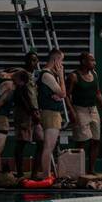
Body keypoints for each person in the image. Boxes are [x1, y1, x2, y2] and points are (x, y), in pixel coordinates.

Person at [67, 52, 102, 174]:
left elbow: (98, 93)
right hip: (80, 109)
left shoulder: (94, 74)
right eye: (91, 60)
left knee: (96, 140)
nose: (94, 63)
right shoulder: (74, 76)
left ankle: (91, 169)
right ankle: (77, 170)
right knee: (82, 140)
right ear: (83, 61)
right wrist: (71, 111)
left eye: (94, 60)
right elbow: (67, 95)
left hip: (93, 109)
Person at [35, 50, 68, 180]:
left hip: (51, 113)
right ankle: (45, 175)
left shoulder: (48, 75)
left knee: (49, 146)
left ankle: (46, 173)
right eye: (61, 61)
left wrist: (58, 95)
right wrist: (61, 75)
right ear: (56, 60)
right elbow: (63, 93)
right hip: (50, 114)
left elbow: (59, 94)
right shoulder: (47, 75)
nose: (62, 64)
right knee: (48, 146)